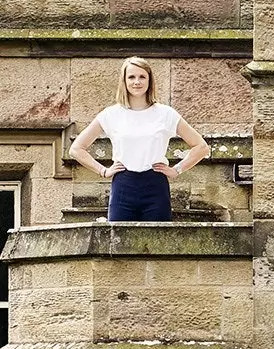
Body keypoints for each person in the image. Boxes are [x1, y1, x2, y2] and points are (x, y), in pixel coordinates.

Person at [68, 56, 210, 223]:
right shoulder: (111, 114)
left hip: (155, 186)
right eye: (131, 77)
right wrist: (103, 170)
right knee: (119, 244)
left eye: (142, 77)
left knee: (158, 243)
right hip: (123, 186)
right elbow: (76, 149)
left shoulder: (165, 114)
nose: (137, 82)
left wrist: (177, 169)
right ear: (124, 81)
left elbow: (201, 147)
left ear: (150, 81)